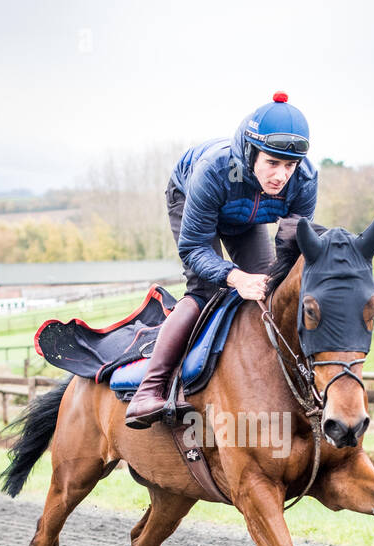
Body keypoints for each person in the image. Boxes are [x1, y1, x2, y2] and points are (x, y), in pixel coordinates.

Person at [123, 91, 318, 428]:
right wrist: (234, 277)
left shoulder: (305, 180)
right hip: (191, 198)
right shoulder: (214, 171)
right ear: (250, 152)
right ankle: (149, 389)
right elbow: (194, 249)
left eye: (289, 166)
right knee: (205, 290)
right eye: (272, 163)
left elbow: (293, 248)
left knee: (269, 290)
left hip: (245, 220)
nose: (281, 176)